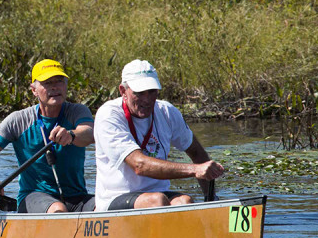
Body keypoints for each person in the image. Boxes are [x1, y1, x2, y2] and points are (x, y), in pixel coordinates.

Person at [93, 59, 226, 211]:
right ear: (123, 91)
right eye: (139, 93)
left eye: (152, 91)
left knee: (184, 201)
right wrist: (195, 170)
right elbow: (139, 165)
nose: (147, 99)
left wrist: (211, 199)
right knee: (157, 201)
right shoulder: (109, 115)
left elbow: (196, 152)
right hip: (116, 198)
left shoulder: (167, 112)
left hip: (158, 195)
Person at [0, 59, 96, 213]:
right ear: (34, 90)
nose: (55, 87)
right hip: (33, 196)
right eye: (48, 83)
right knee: (58, 209)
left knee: (102, 205)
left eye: (59, 81)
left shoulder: (78, 111)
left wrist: (71, 135)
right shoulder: (18, 120)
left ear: (66, 85)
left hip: (77, 197)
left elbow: (90, 133)